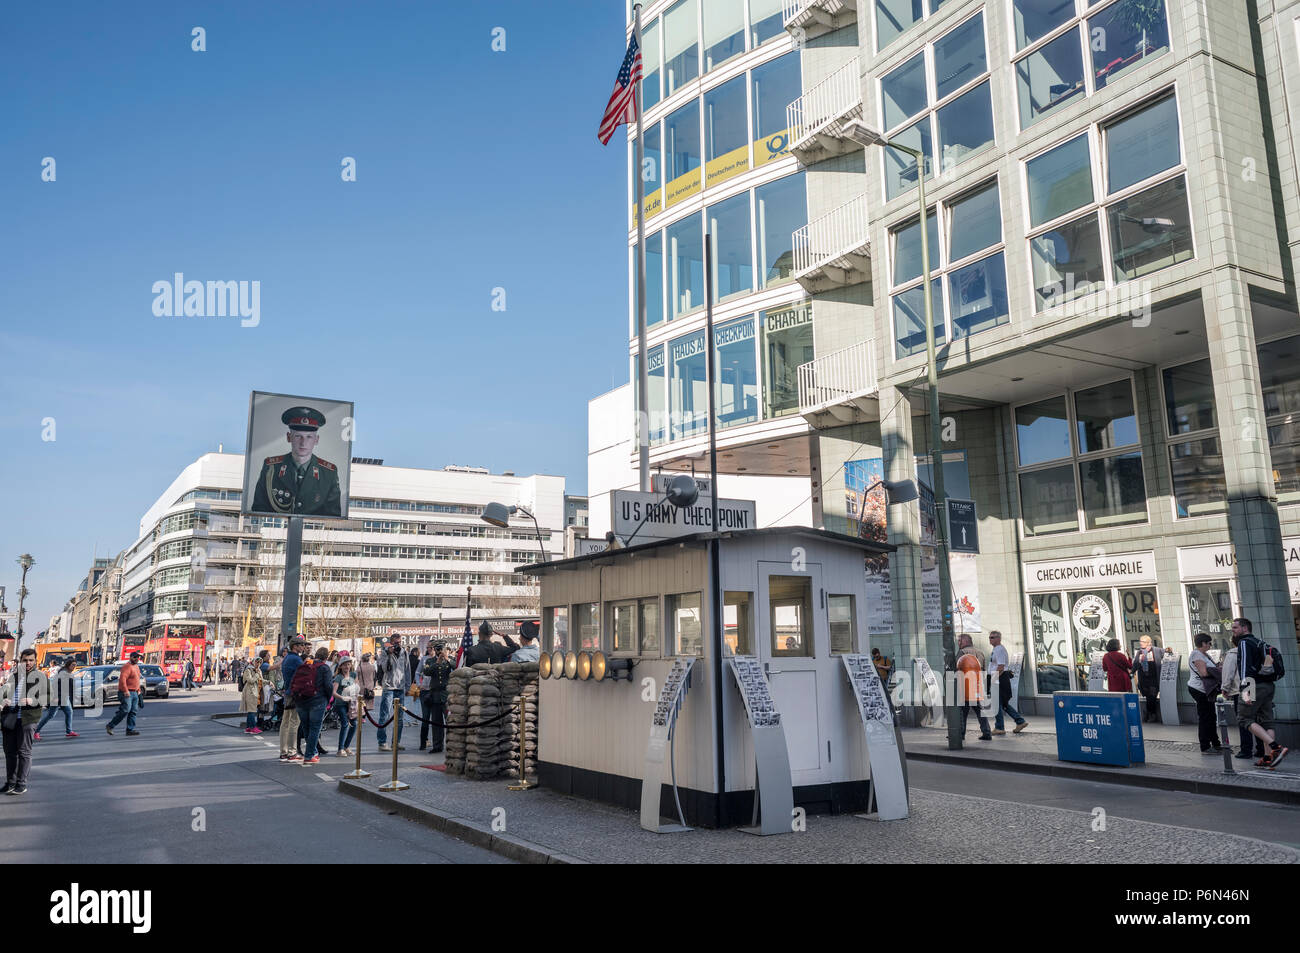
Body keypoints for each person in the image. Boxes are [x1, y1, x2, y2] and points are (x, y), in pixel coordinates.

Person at [250, 406, 342, 516]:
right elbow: (258, 509)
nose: (303, 443)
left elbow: (333, 516)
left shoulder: (329, 473)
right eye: (298, 436)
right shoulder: (271, 467)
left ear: (316, 440)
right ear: (289, 437)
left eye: (309, 437)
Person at [1232, 618, 1289, 768]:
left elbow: (1245, 668)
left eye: (1235, 628)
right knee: (1266, 722)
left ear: (1245, 628)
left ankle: (1276, 748)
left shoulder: (1244, 643)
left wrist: (1246, 691)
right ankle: (1268, 757)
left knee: (1244, 719)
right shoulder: (1259, 642)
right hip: (1268, 685)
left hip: (1254, 685)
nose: (1233, 631)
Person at [3, 648, 49, 795]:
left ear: (35, 661)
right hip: (10, 717)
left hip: (28, 718)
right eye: (25, 660)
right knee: (10, 752)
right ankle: (10, 783)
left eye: (31, 660)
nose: (28, 663)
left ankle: (21, 784)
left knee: (24, 752)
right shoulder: (14, 676)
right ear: (20, 660)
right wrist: (4, 699)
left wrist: (32, 700)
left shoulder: (41, 677)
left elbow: (48, 697)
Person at [986, 631, 1027, 735]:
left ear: (999, 638)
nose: (990, 639)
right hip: (999, 678)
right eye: (990, 637)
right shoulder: (996, 649)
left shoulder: (999, 649)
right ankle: (1020, 721)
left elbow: (1001, 667)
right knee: (1002, 704)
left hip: (999, 678)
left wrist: (993, 680)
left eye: (993, 637)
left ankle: (1000, 727)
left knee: (997, 704)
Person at [1187, 633, 1222, 754]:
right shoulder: (1197, 654)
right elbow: (1203, 673)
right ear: (1203, 643)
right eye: (1209, 643)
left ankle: (1216, 743)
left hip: (1205, 690)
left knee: (1211, 716)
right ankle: (1205, 746)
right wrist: (1216, 670)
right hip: (1199, 689)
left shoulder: (1203, 654)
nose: (1210, 645)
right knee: (1205, 717)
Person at [375, 635, 412, 750]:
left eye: (399, 642)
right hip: (389, 687)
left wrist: (408, 686)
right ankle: (382, 742)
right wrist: (389, 654)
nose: (398, 645)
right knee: (384, 716)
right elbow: (385, 668)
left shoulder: (404, 653)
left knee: (399, 717)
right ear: (391, 643)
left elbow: (407, 669)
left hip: (400, 688)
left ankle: (396, 741)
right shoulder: (385, 653)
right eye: (396, 643)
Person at [956, 635, 992, 741]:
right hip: (977, 686)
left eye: (959, 641)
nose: (958, 643)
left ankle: (960, 733)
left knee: (962, 711)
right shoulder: (980, 652)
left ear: (966, 641)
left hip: (965, 687)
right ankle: (987, 732)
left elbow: (957, 669)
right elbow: (983, 670)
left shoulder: (962, 652)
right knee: (980, 711)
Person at [420, 643, 454, 753]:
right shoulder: (430, 661)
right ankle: (437, 746)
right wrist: (437, 662)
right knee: (436, 722)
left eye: (441, 649)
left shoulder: (450, 660)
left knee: (450, 721)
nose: (439, 651)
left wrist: (447, 658)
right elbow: (426, 672)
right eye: (437, 649)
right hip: (435, 695)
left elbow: (457, 667)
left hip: (446, 694)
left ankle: (451, 745)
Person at [278, 637, 308, 762]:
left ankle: (284, 752)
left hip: (288, 693)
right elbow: (305, 675)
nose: (303, 647)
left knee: (285, 723)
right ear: (295, 646)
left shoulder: (286, 658)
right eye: (301, 645)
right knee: (294, 723)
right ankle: (292, 752)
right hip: (295, 694)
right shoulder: (296, 660)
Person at [34, 658, 78, 740]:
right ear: (68, 665)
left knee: (69, 712)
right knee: (50, 715)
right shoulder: (63, 673)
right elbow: (54, 685)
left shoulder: (67, 672)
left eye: (75, 665)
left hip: (63, 697)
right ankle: (36, 731)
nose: (74, 666)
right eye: (73, 665)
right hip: (57, 697)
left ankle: (69, 731)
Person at [105, 653, 143, 736]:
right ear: (131, 657)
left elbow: (137, 679)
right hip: (126, 692)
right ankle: (110, 726)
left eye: (138, 657)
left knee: (133, 711)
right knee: (125, 710)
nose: (137, 659)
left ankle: (130, 730)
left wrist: (138, 689)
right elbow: (122, 680)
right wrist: (126, 691)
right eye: (135, 657)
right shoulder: (127, 667)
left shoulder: (136, 666)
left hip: (135, 692)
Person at [1132, 635, 1161, 723]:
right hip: (1144, 679)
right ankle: (1150, 714)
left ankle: (1151, 714)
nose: (1141, 643)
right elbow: (1136, 664)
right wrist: (1131, 672)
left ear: (1149, 643)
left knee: (1152, 696)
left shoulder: (1156, 650)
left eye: (1143, 642)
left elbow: (1166, 654)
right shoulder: (1139, 652)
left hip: (1153, 678)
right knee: (1148, 696)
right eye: (1140, 641)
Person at [333, 657, 359, 757]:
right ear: (340, 666)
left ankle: (346, 746)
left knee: (354, 724)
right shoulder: (338, 677)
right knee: (345, 724)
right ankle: (340, 749)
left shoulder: (353, 674)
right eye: (344, 665)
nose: (347, 667)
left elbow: (357, 687)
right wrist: (343, 697)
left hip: (351, 704)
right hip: (340, 704)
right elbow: (333, 693)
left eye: (348, 664)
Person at [239, 659, 264, 734]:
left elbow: (261, 680)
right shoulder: (249, 670)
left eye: (260, 662)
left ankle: (248, 728)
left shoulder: (258, 670)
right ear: (253, 662)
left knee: (251, 711)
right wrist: (256, 674)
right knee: (252, 710)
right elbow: (250, 680)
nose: (258, 664)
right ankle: (253, 728)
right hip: (250, 692)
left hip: (256, 691)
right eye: (257, 662)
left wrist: (269, 682)